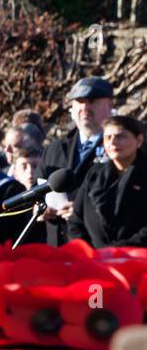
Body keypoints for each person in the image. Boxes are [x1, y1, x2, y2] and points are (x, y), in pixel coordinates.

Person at [41, 77, 116, 246]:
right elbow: (38, 189)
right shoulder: (54, 149)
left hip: (97, 245)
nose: (84, 107)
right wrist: (40, 208)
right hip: (58, 245)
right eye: (79, 101)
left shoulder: (122, 148)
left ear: (110, 105)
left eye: (92, 101)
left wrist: (83, 209)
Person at [68, 115, 147, 249]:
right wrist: (86, 252)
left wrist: (118, 251)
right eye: (107, 137)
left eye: (120, 136)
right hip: (93, 262)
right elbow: (76, 221)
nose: (113, 142)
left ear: (139, 140)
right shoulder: (94, 174)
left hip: (136, 260)